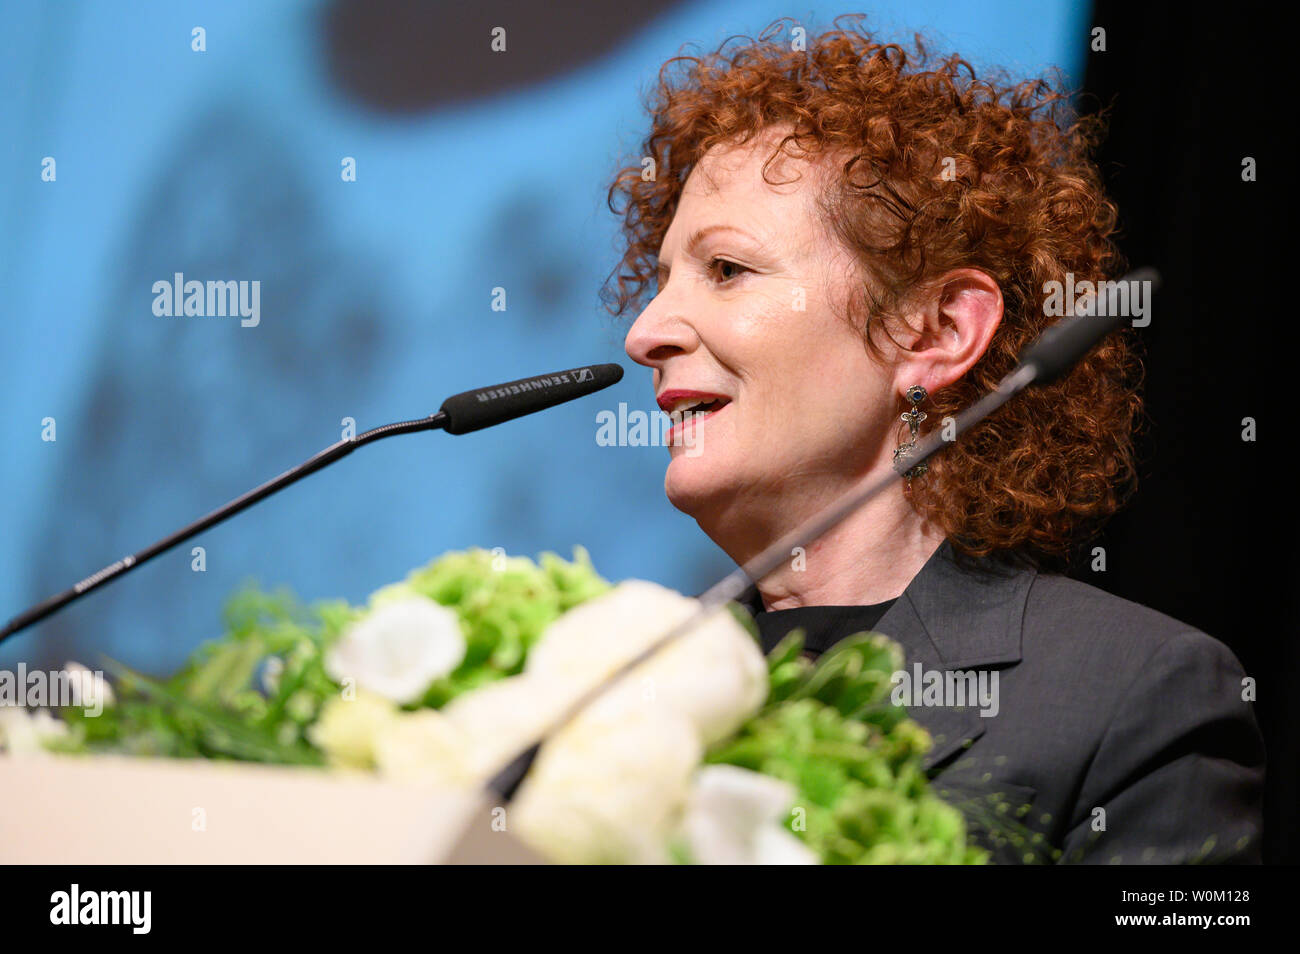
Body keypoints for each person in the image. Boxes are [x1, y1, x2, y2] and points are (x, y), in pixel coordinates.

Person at [605, 18, 1264, 863]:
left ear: (938, 330)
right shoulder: (612, 686)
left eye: (727, 269)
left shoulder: (1135, 694)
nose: (645, 332)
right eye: (660, 282)